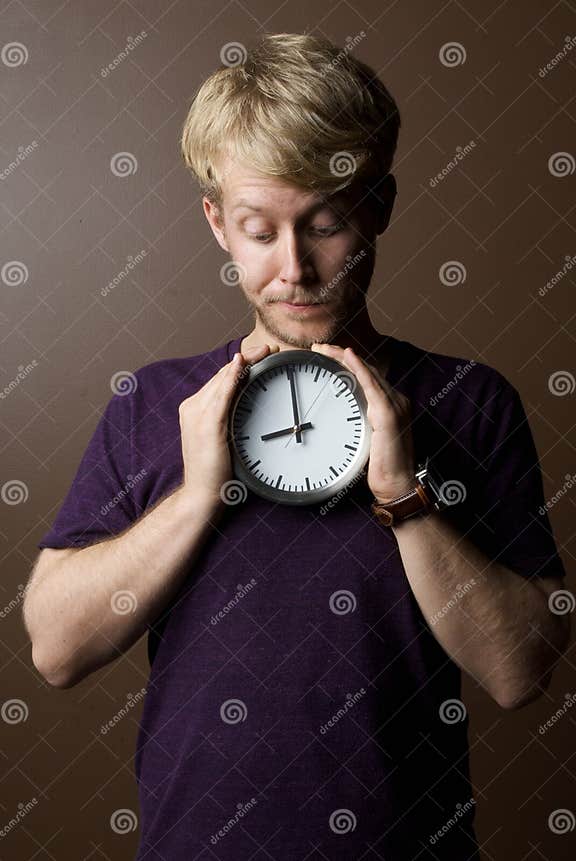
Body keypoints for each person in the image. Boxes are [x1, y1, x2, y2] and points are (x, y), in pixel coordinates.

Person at [24, 32, 569, 861]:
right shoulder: (155, 405)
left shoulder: (470, 401)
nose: (295, 269)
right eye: (258, 229)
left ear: (378, 207)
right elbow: (55, 649)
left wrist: (402, 492)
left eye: (325, 224)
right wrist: (199, 493)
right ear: (217, 223)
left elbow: (520, 672)